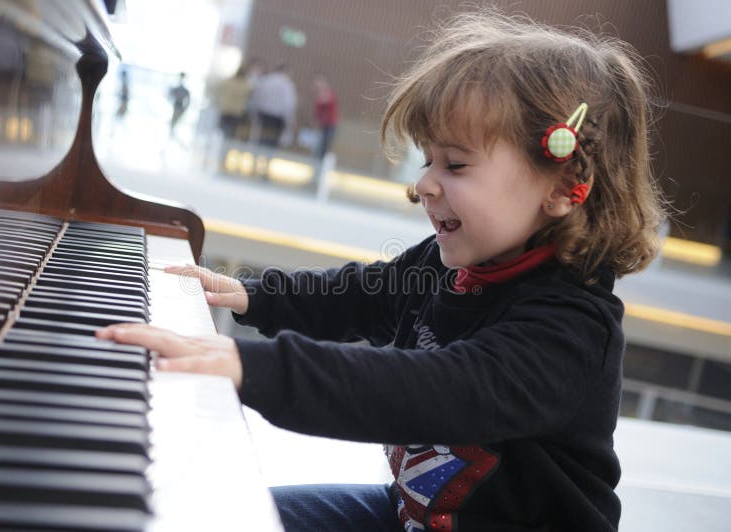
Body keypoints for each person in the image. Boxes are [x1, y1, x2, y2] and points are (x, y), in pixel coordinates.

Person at [97, 10, 666, 532]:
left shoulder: (570, 329)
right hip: (406, 517)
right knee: (226, 518)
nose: (423, 184)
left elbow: (426, 390)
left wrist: (251, 368)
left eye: (456, 164)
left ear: (567, 188)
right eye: (427, 159)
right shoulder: (451, 263)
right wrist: (253, 296)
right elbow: (364, 294)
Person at [250, 64, 297, 147]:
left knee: (260, 139)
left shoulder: (266, 80)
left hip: (263, 114)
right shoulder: (287, 84)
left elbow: (257, 96)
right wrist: (289, 121)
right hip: (276, 118)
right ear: (285, 71)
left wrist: (255, 112)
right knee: (271, 141)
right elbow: (289, 104)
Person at [216, 65, 252, 140]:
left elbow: (219, 89)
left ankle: (225, 140)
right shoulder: (245, 84)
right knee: (232, 130)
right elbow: (249, 94)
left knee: (224, 128)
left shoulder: (229, 81)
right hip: (236, 110)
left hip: (226, 108)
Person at [312, 73, 338, 159]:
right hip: (322, 126)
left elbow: (325, 101)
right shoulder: (319, 95)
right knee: (318, 147)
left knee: (324, 147)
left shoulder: (328, 94)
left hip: (329, 126)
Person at [168, 72, 190, 136]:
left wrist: (185, 108)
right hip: (176, 106)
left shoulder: (185, 90)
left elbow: (188, 101)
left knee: (175, 121)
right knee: (173, 121)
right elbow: (170, 95)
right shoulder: (176, 88)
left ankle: (172, 131)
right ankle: (172, 132)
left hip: (180, 107)